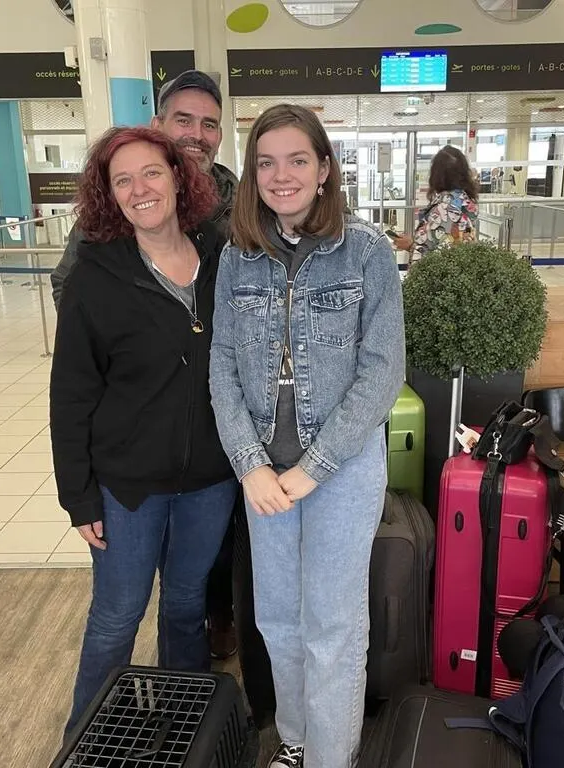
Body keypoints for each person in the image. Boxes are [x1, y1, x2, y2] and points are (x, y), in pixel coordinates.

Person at [209, 104, 405, 768]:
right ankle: (295, 743)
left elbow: (383, 373)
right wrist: (249, 464)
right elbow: (223, 370)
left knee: (333, 626)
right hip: (263, 470)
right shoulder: (238, 256)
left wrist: (313, 467)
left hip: (340, 469)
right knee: (278, 623)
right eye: (265, 162)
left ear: (324, 170)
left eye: (297, 160)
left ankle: (331, 757)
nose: (280, 175)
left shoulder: (368, 251)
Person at [50, 125, 238, 736]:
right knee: (117, 615)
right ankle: (92, 736)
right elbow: (71, 395)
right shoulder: (95, 277)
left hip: (210, 479)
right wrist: (77, 495)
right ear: (109, 196)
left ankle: (184, 731)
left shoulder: (223, 260)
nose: (140, 189)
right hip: (127, 487)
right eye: (122, 180)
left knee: (185, 608)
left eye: (151, 173)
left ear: (178, 178)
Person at [50, 70, 237, 309]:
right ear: (157, 125)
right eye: (183, 120)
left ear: (219, 135)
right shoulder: (117, 204)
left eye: (209, 124)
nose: (196, 135)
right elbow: (67, 285)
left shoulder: (241, 206)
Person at [394, 144, 480, 266]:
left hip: (445, 279)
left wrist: (410, 245)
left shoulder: (445, 209)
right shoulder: (465, 202)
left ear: (436, 175)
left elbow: (428, 255)